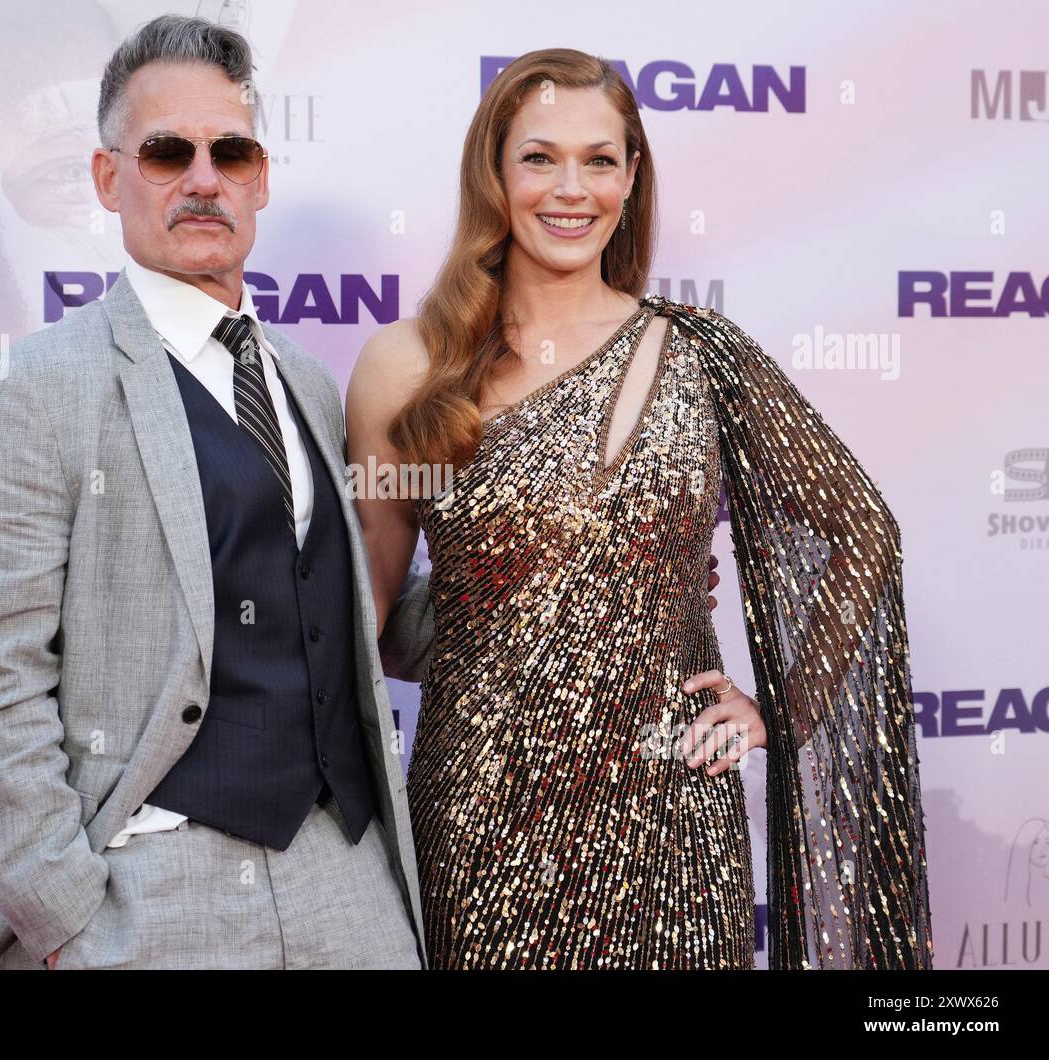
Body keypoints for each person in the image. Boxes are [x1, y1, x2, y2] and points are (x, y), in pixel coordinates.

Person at [353, 48, 934, 969]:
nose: (570, 189)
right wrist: (513, 604)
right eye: (539, 158)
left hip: (673, 806)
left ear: (631, 178)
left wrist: (776, 710)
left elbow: (863, 528)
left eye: (600, 159)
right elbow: (367, 615)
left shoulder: (700, 355)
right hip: (481, 813)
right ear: (494, 176)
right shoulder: (406, 364)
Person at [0, 14, 423, 969]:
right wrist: (68, 920)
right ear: (110, 179)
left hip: (348, 878)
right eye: (168, 152)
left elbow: (361, 610)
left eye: (229, 151)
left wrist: (553, 569)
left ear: (262, 179)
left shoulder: (310, 384)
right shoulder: (40, 385)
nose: (204, 178)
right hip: (148, 886)